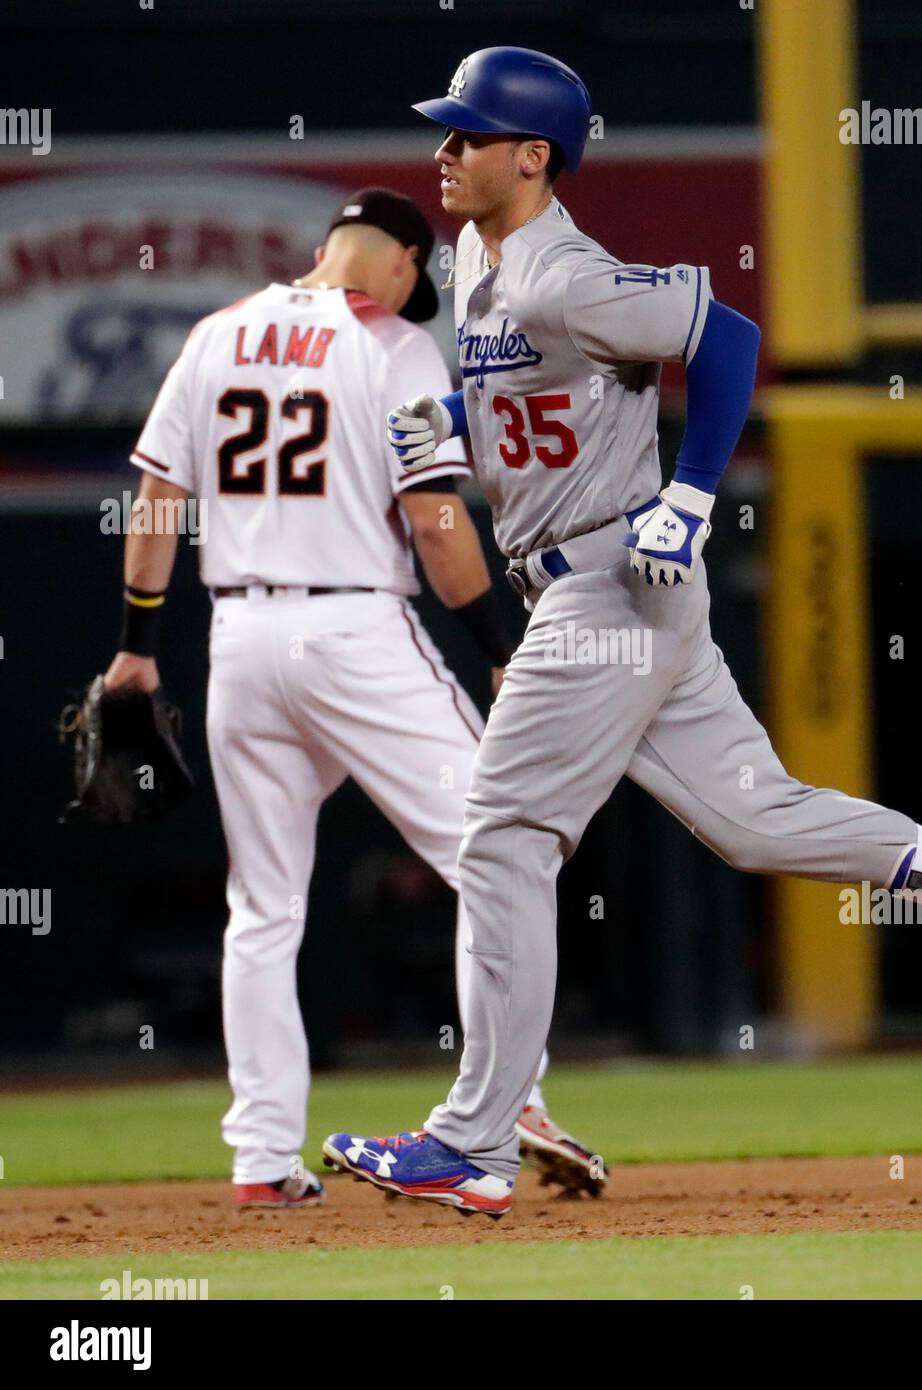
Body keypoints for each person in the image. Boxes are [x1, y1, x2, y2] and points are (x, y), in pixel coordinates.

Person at [323, 49, 922, 1221]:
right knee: (759, 819)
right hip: (599, 590)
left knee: (500, 835)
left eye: (468, 134)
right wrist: (448, 415)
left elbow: (730, 335)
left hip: (609, 581)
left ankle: (473, 1140)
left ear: (532, 157)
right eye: (446, 130)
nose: (443, 151)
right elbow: (550, 398)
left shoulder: (561, 274)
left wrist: (694, 492)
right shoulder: (481, 262)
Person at [103, 186, 604, 1209]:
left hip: (236, 638)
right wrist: (498, 647)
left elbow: (158, 498)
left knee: (262, 907)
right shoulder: (396, 349)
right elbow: (432, 517)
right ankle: (504, 1102)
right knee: (499, 850)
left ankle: (260, 1162)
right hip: (352, 632)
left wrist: (135, 652)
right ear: (403, 262)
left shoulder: (215, 334)